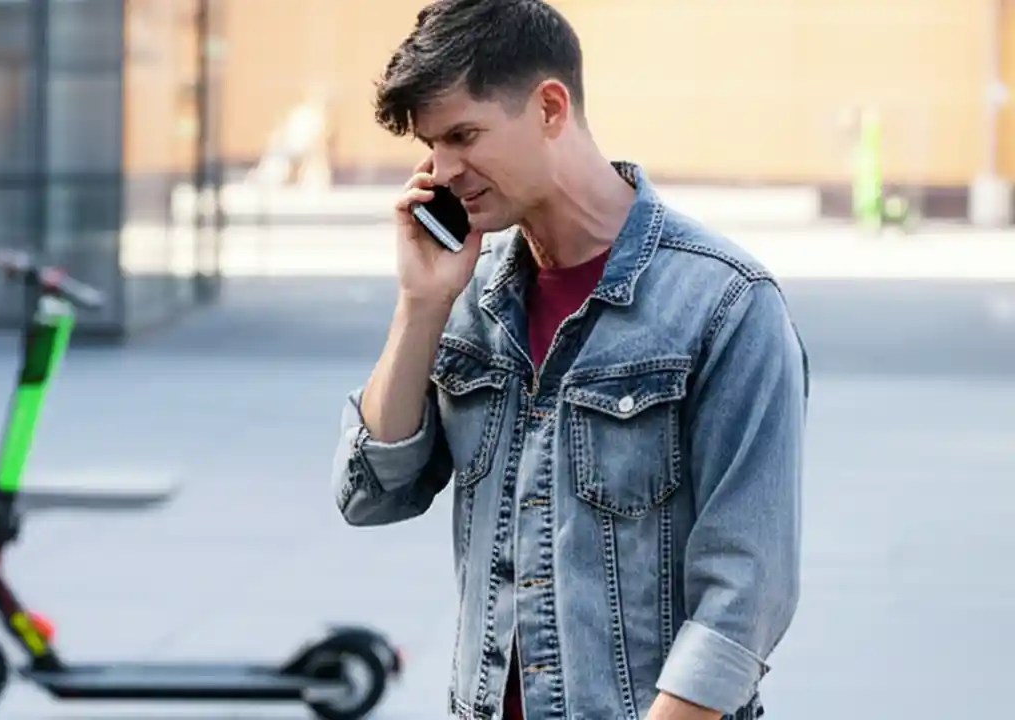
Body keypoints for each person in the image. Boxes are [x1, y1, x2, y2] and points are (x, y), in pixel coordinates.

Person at [330, 1, 808, 718]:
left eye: (463, 135)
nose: (443, 171)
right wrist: (420, 304)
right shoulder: (469, 296)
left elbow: (746, 592)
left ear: (550, 107)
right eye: (431, 145)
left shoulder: (724, 302)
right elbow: (371, 493)